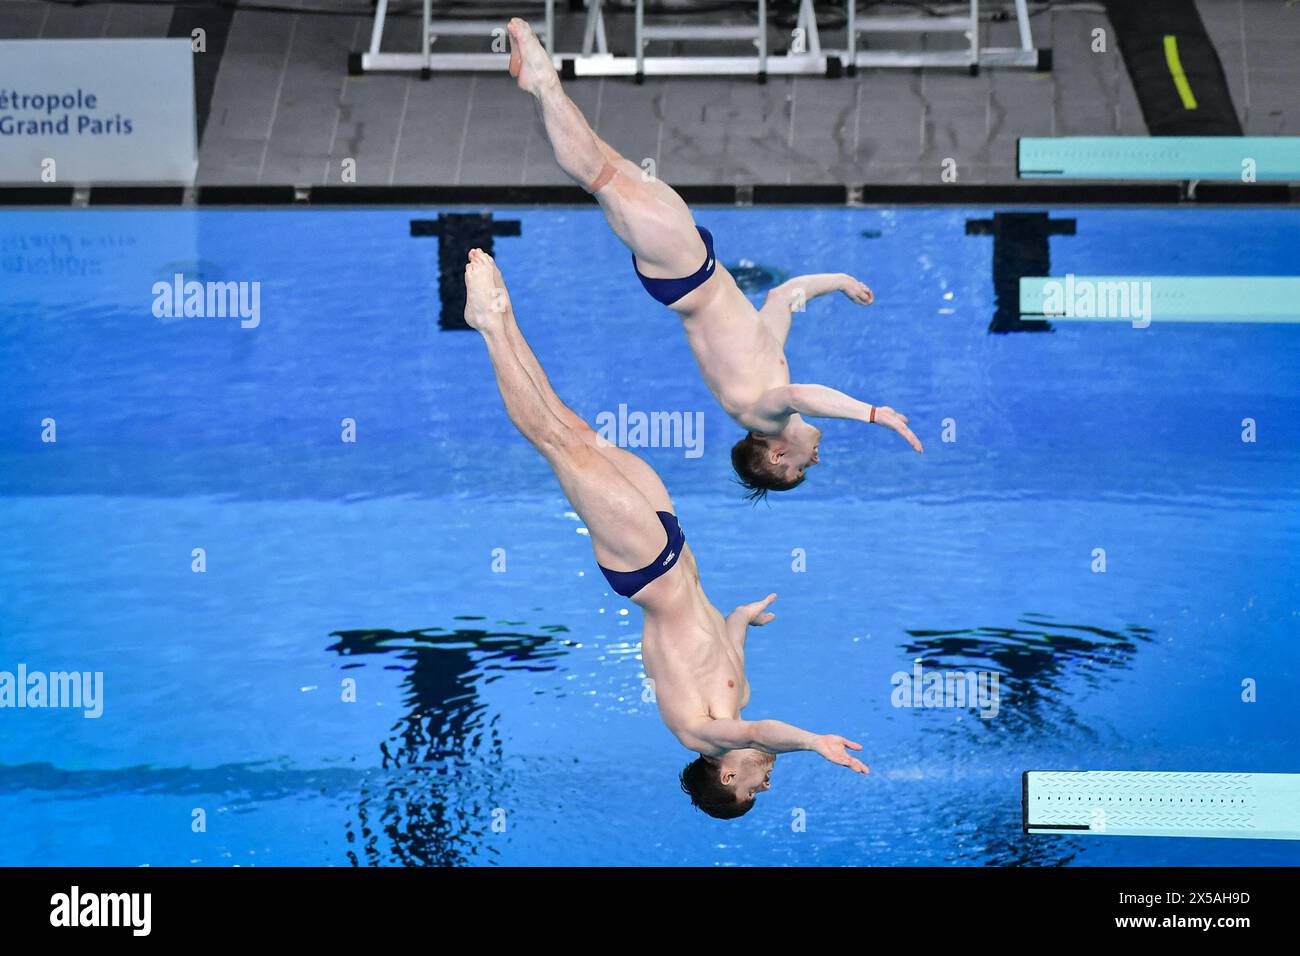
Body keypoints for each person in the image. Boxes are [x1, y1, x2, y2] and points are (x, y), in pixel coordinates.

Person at [463, 247, 869, 818]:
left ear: (726, 775)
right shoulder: (736, 703)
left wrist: (813, 742)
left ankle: (488, 325)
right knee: (574, 430)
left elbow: (758, 730)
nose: (765, 783)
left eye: (751, 789)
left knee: (556, 442)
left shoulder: (700, 736)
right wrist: (744, 617)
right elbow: (724, 641)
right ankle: (500, 317)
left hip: (646, 567)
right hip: (670, 541)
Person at [506, 18, 924, 500]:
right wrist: (841, 279)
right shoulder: (768, 378)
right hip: (693, 265)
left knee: (596, 175)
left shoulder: (762, 414)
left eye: (801, 471)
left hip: (684, 274)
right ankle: (536, 85)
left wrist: (875, 415)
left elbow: (801, 396)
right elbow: (783, 297)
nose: (816, 459)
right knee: (606, 161)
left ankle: (542, 78)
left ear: (776, 456)